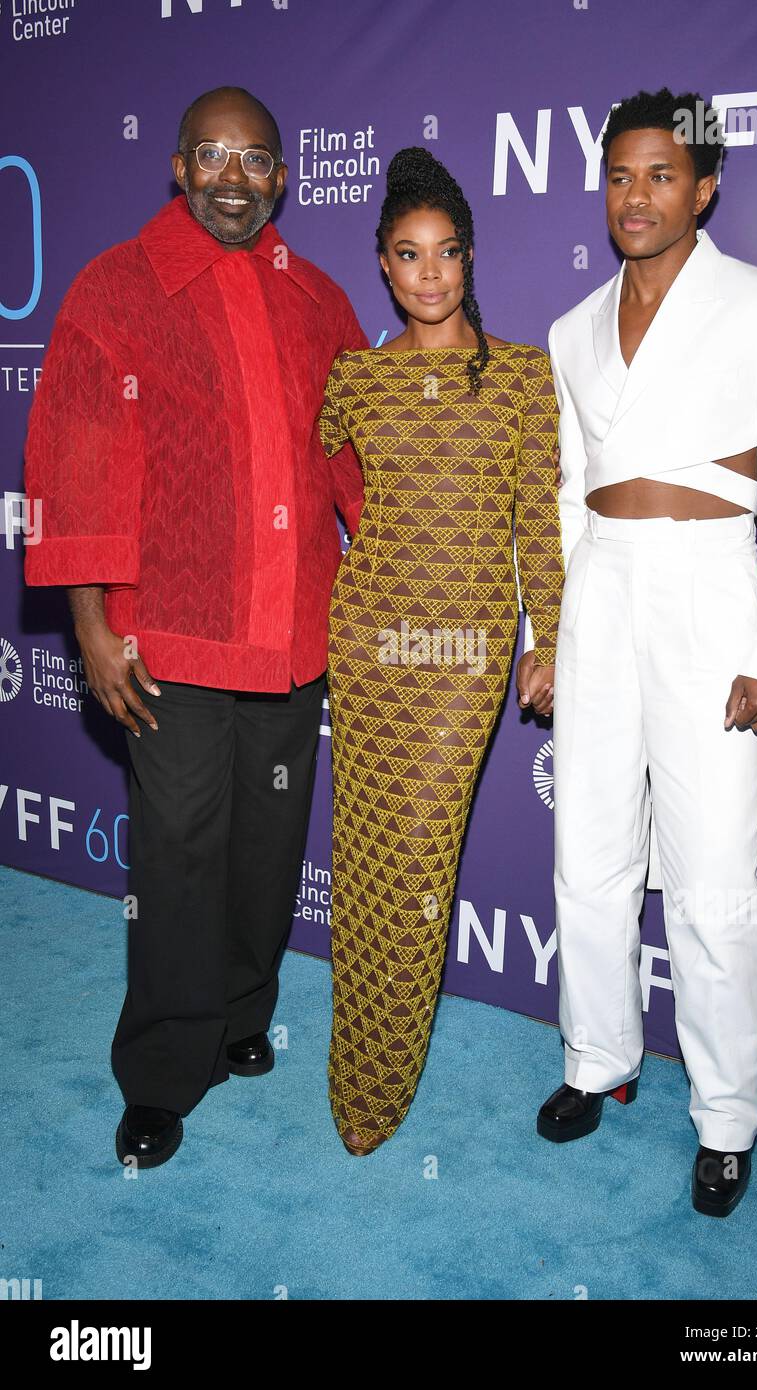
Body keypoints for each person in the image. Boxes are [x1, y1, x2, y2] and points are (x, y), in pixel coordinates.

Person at [23, 86, 368, 1168]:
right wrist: (91, 626)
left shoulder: (317, 297)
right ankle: (166, 1068)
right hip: (163, 637)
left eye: (254, 159)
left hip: (292, 632)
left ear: (282, 177)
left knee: (269, 846)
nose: (232, 177)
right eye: (211, 156)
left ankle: (240, 1010)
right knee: (177, 849)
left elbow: (357, 461)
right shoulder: (114, 288)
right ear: (177, 168)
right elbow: (79, 462)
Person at [538, 89, 757, 1216]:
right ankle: (596, 1059)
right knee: (590, 854)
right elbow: (565, 499)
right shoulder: (572, 328)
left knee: (713, 879)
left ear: (704, 186)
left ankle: (724, 1117)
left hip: (713, 594)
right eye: (619, 175)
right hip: (601, 593)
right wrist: (547, 633)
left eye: (660, 175)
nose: (636, 196)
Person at [317, 147, 565, 1155]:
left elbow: (539, 527)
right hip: (369, 644)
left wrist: (545, 639)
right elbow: (314, 493)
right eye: (409, 255)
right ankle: (353, 1058)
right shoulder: (356, 380)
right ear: (382, 265)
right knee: (364, 856)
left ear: (468, 257)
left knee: (419, 848)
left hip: (463, 658)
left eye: (446, 251)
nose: (429, 272)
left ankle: (378, 1082)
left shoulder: (521, 377)